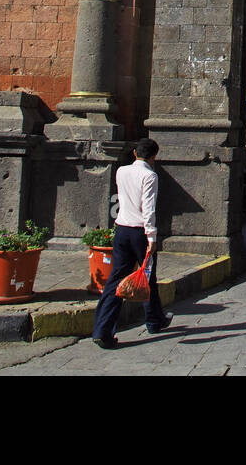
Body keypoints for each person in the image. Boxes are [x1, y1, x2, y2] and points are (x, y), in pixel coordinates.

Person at [92, 138, 168, 348]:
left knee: (116, 279)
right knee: (147, 274)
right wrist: (152, 236)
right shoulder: (150, 176)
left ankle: (102, 329)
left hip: (122, 230)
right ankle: (154, 320)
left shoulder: (121, 171)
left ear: (135, 153)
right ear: (153, 156)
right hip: (140, 233)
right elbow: (148, 207)